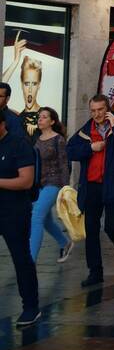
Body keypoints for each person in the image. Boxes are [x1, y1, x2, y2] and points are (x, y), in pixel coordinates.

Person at [67, 94, 114, 288]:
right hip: (91, 186)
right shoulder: (86, 130)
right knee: (91, 229)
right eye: (93, 110)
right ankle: (95, 272)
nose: (97, 114)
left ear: (108, 108)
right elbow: (70, 150)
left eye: (100, 110)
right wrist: (91, 147)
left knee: (113, 227)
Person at [0, 107, 40, 327]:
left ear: (2, 124)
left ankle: (31, 307)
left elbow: (26, 181)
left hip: (13, 211)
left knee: (21, 258)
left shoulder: (18, 145)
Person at [30, 107, 72, 263]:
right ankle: (65, 243)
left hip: (54, 183)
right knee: (46, 220)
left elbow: (64, 165)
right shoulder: (37, 139)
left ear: (52, 121)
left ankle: (30, 261)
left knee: (36, 217)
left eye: (44, 117)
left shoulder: (58, 140)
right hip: (39, 184)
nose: (40, 119)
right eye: (39, 117)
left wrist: (66, 189)